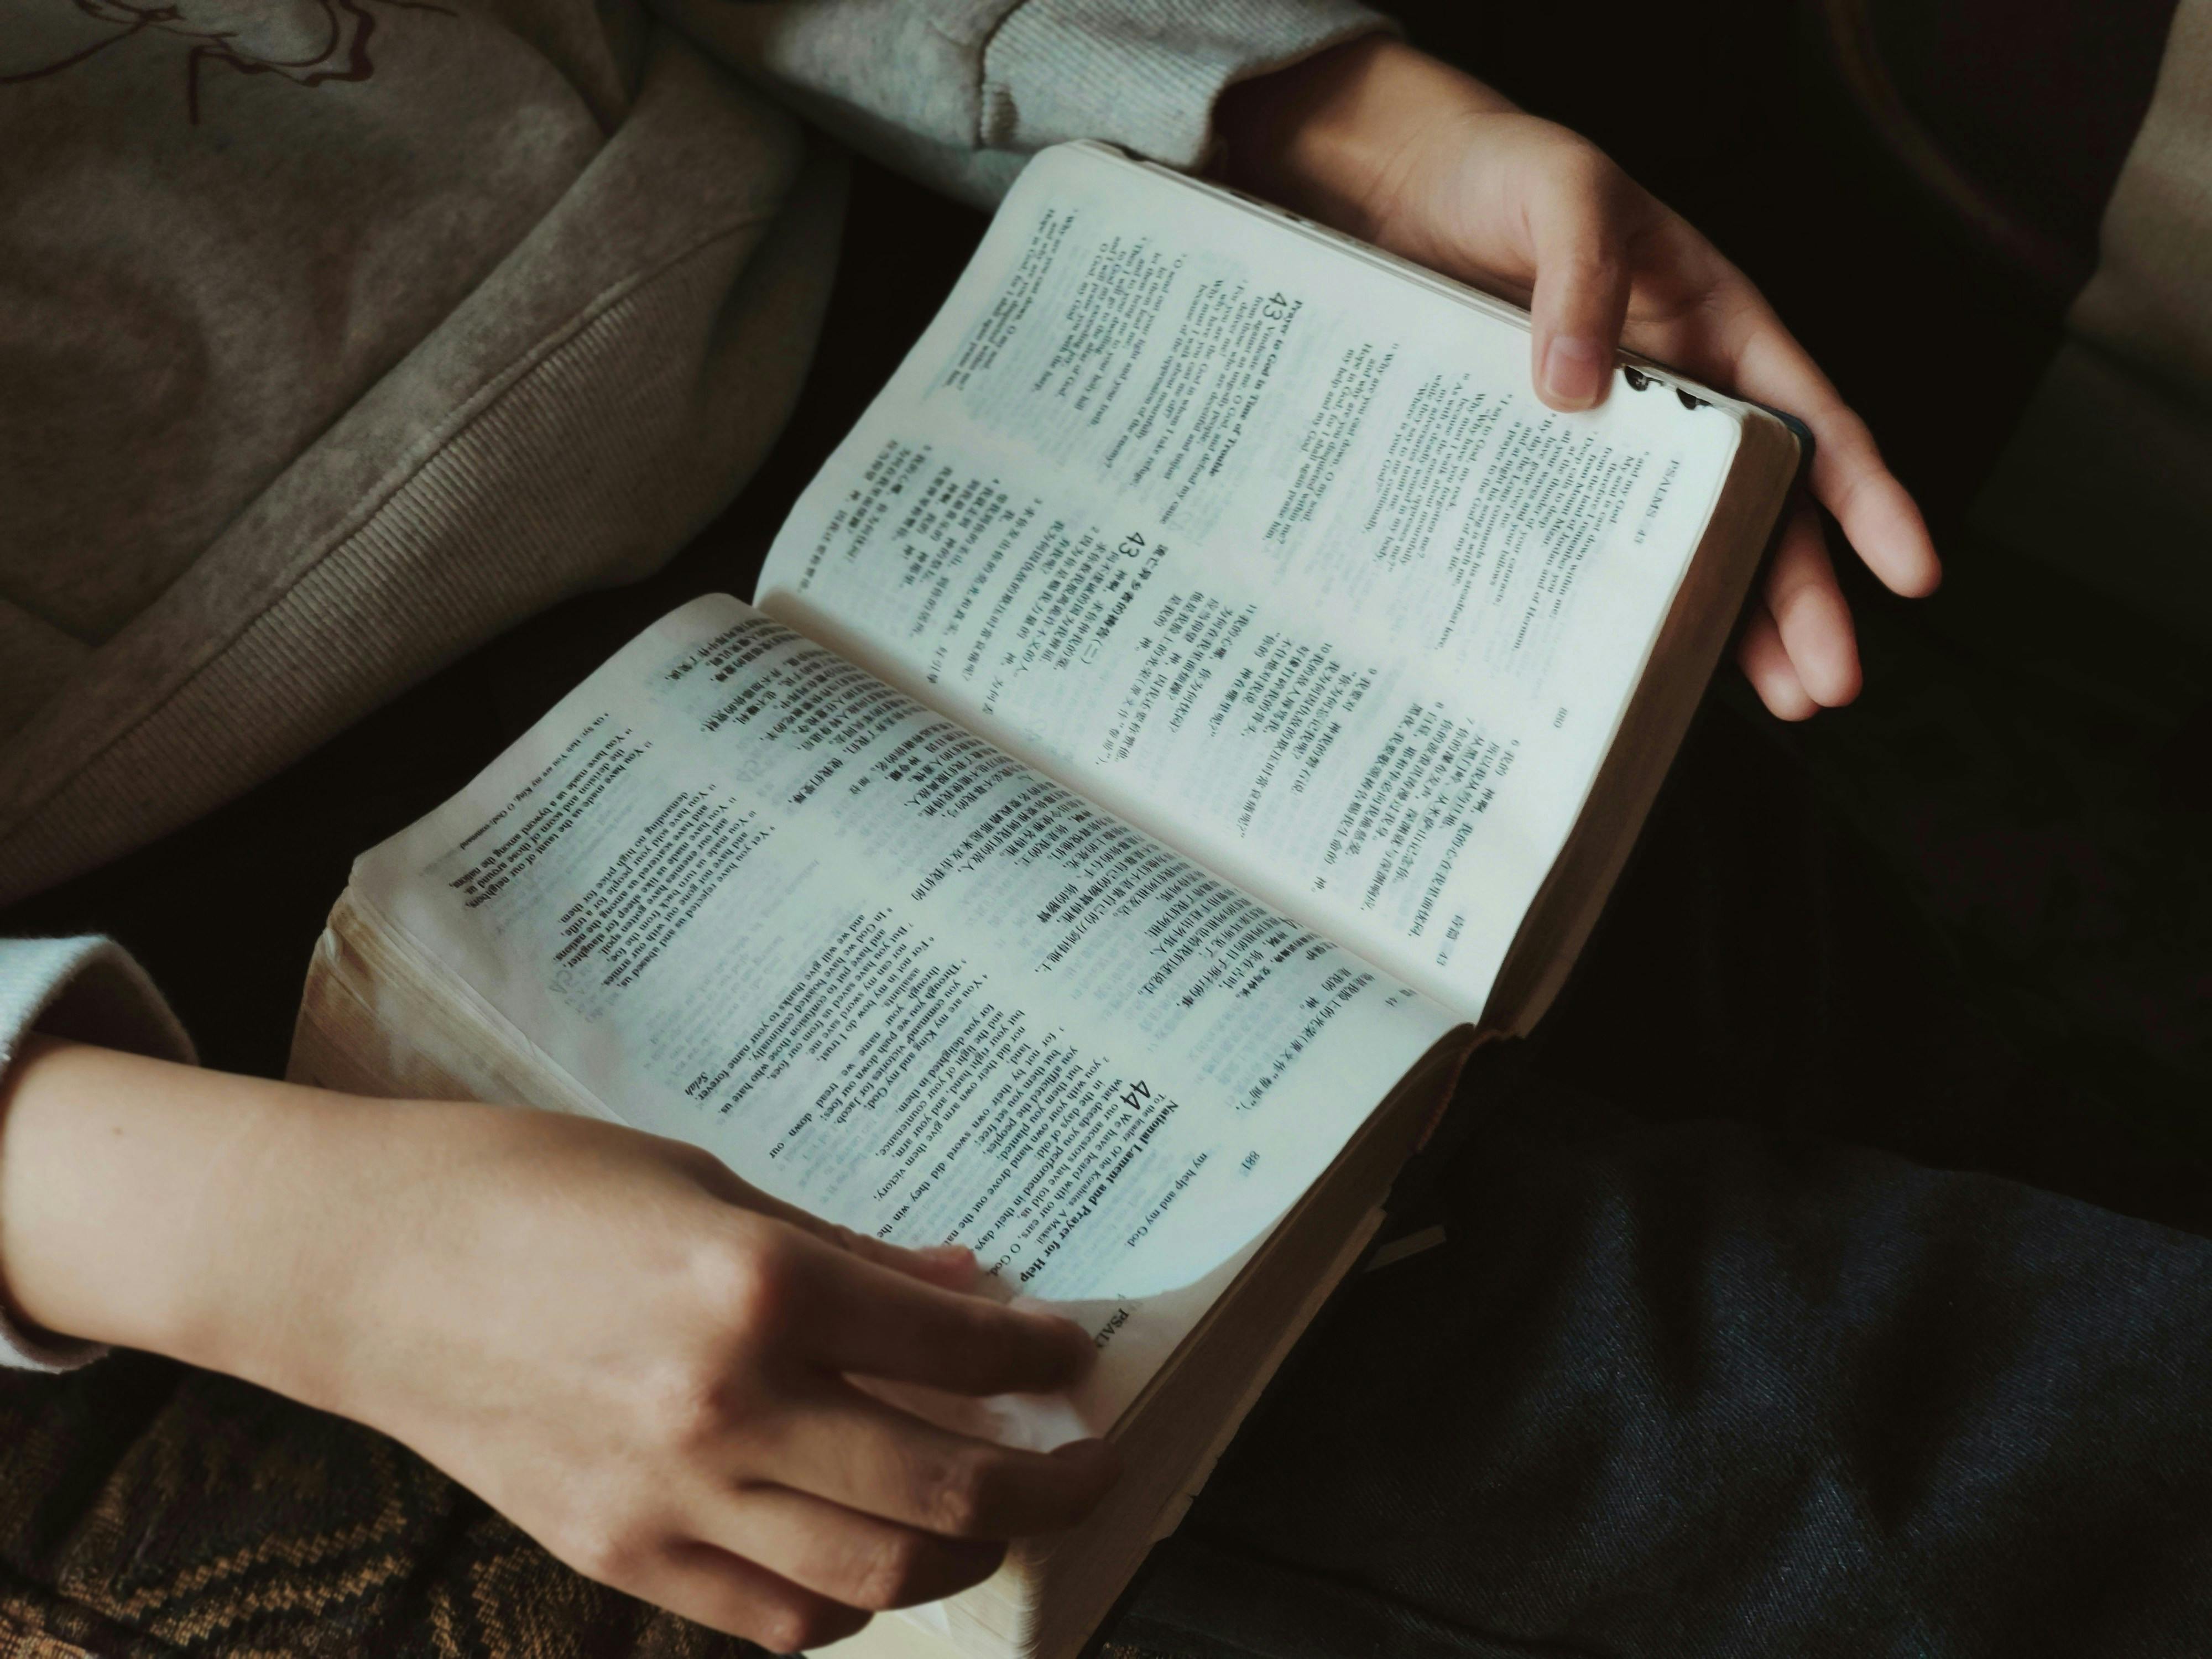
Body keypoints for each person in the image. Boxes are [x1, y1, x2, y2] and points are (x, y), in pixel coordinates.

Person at [9, 7, 2204, 1654]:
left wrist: (1303, 108)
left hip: (965, 368)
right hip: (274, 910)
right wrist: (262, 1242)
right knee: (1884, 1456)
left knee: (1885, 1006)